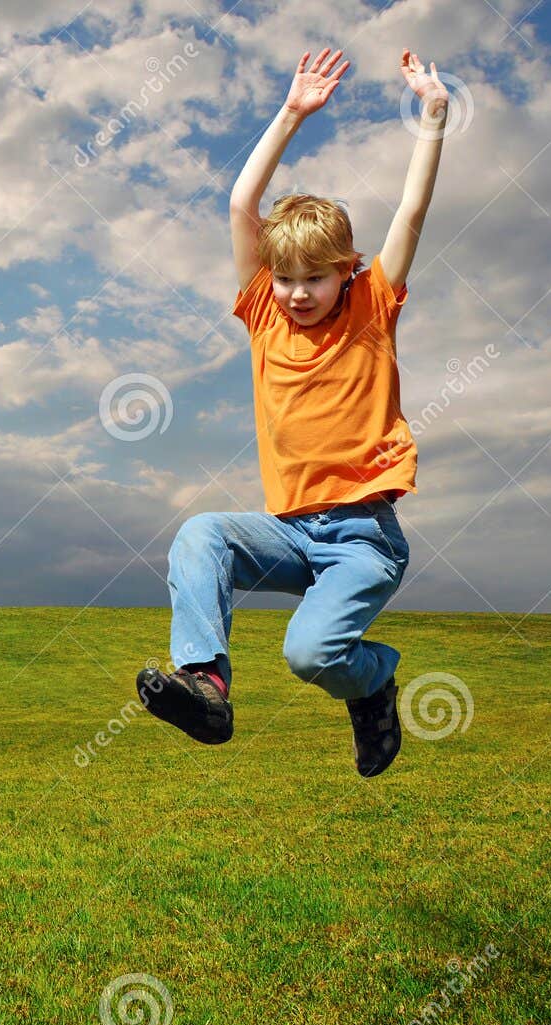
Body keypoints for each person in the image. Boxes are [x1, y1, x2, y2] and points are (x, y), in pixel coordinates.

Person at [137, 47, 449, 778]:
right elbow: (242, 205)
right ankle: (208, 687)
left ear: (349, 270)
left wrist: (432, 116)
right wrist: (292, 113)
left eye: (315, 278)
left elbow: (412, 210)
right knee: (200, 534)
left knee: (310, 653)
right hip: (288, 529)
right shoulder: (264, 315)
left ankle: (372, 683)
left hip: (363, 537)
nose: (298, 293)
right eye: (285, 278)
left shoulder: (373, 307)